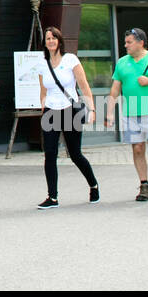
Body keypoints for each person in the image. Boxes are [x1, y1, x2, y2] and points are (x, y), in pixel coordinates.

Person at [105, 27, 148, 201]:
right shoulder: (122, 62)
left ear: (140, 43)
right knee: (137, 148)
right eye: (125, 42)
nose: (125, 45)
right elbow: (115, 88)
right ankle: (144, 185)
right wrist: (110, 113)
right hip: (131, 113)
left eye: (129, 42)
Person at [35, 26, 99, 209]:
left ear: (59, 41)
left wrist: (92, 109)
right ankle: (52, 197)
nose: (51, 41)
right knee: (50, 154)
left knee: (75, 154)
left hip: (70, 110)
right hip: (51, 112)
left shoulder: (70, 59)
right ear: (45, 43)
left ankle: (93, 185)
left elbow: (84, 86)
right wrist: (43, 106)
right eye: (48, 39)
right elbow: (43, 89)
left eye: (54, 38)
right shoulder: (42, 64)